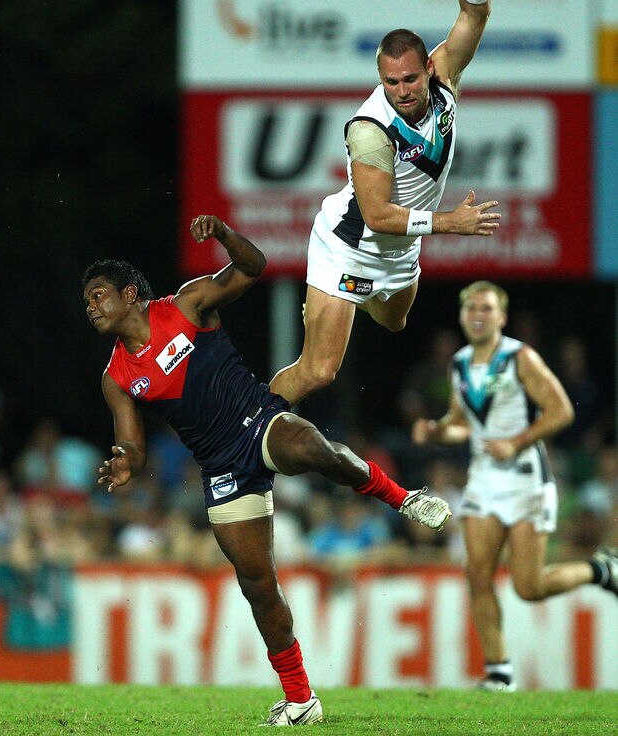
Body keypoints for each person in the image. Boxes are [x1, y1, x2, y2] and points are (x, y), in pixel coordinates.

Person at [83, 214, 451, 726]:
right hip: (220, 469)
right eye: (87, 302)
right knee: (258, 584)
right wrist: (127, 461)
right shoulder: (116, 377)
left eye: (99, 294)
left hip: (258, 420)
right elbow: (132, 441)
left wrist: (225, 236)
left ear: (130, 294)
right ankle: (301, 699)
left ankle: (402, 497)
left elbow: (252, 267)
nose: (91, 306)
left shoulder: (186, 304)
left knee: (312, 447)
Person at [270, 0, 500, 406]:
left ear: (428, 70)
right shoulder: (369, 130)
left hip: (400, 251)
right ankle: (242, 435)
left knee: (394, 322)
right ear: (381, 78)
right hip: (351, 245)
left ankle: (351, 296)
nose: (403, 90)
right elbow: (376, 215)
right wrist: (448, 223)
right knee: (319, 370)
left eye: (410, 78)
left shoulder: (444, 78)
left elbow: (474, 14)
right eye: (391, 81)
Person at [411, 280, 617, 692]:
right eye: (471, 307)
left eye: (486, 308)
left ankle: (601, 569)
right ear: (462, 315)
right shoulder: (460, 363)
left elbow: (561, 411)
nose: (478, 314)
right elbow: (463, 425)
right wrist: (436, 431)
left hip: (526, 479)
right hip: (484, 480)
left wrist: (517, 441)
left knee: (529, 586)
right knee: (478, 574)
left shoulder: (520, 357)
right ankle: (499, 672)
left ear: (502, 317)